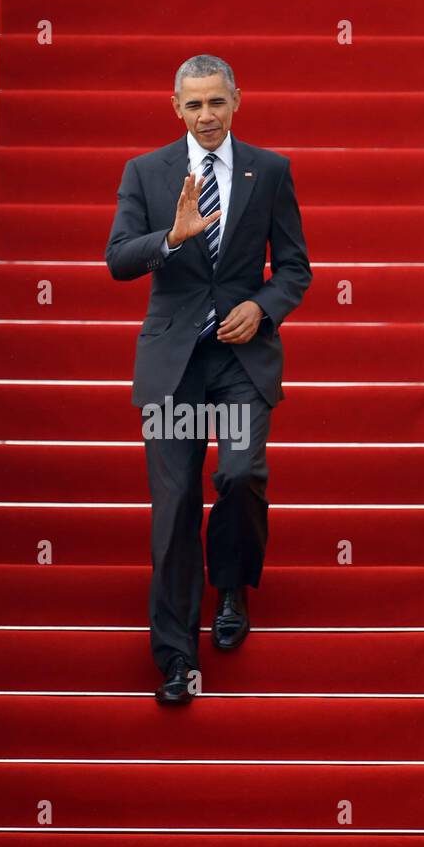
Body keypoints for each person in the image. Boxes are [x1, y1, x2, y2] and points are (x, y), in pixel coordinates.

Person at [104, 54, 312, 705]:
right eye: (193, 104)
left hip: (240, 361)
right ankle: (174, 656)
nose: (206, 115)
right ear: (176, 108)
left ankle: (232, 587)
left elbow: (296, 269)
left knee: (241, 475)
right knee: (173, 510)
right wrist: (170, 236)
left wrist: (263, 306)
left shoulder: (270, 171)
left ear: (237, 100)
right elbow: (117, 259)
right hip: (174, 366)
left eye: (216, 102)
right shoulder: (147, 172)